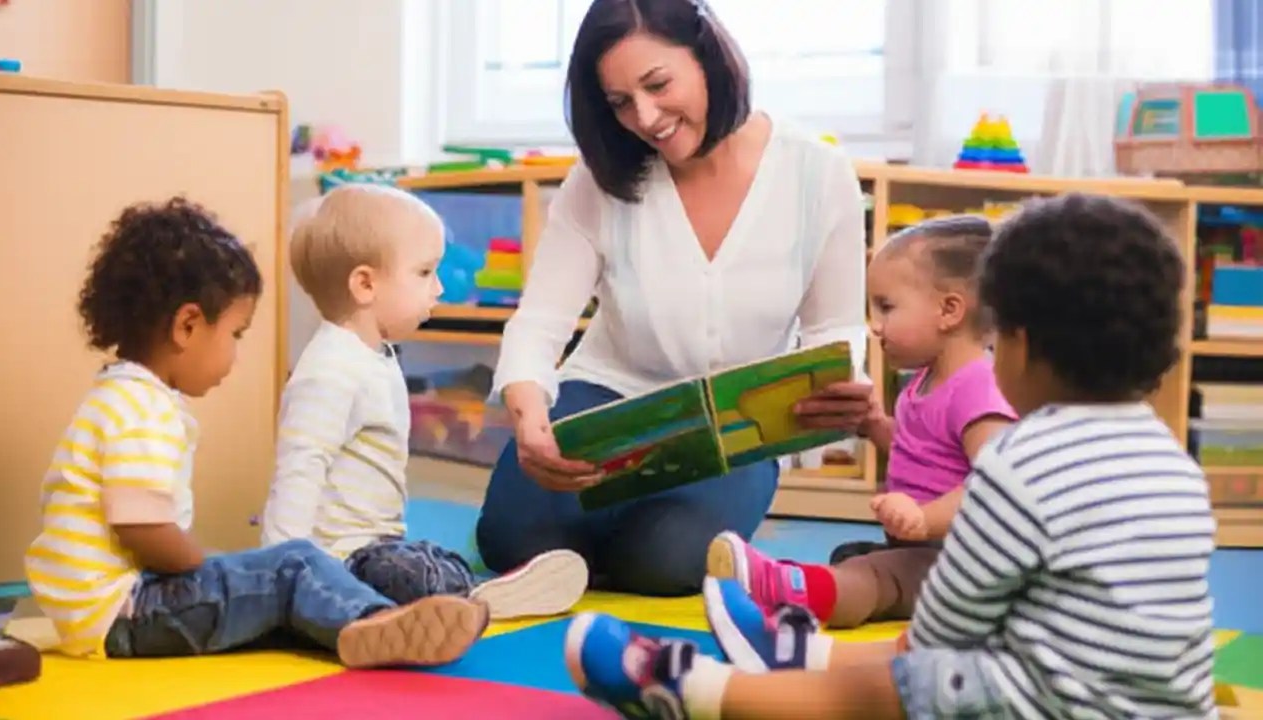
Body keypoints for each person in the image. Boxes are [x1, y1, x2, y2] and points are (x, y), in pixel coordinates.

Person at [564, 192, 1217, 719]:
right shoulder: (1175, 467)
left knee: (895, 688)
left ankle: (696, 692)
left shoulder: (1019, 466)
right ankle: (805, 653)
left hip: (1054, 701)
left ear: (1022, 342)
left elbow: (943, 631)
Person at [476, 0, 875, 597]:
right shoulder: (600, 180)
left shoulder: (818, 175)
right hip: (608, 399)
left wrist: (841, 389)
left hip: (735, 429)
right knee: (510, 541)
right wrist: (529, 412)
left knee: (667, 564)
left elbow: (834, 332)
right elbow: (539, 322)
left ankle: (615, 539)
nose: (644, 117)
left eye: (658, 84)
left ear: (708, 55)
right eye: (619, 103)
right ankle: (594, 536)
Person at [24, 197, 488, 667]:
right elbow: (141, 526)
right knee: (292, 565)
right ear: (187, 326)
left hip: (108, 612)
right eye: (235, 334)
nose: (235, 353)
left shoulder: (119, 395)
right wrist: (203, 566)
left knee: (270, 577)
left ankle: (381, 615)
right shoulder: (141, 410)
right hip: (129, 612)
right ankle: (375, 624)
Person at [260, 184, 589, 620]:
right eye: (424, 273)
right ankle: (473, 599)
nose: (438, 289)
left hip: (377, 546)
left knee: (424, 556)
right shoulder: (329, 371)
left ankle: (463, 592)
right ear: (365, 284)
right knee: (405, 571)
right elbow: (299, 470)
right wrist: (283, 570)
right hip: (337, 562)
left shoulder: (374, 355)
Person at [706, 216, 1017, 634]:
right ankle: (809, 585)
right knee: (859, 560)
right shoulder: (924, 383)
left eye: (887, 307)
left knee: (877, 577)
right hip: (923, 548)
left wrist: (924, 518)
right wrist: (875, 427)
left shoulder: (979, 385)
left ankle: (786, 592)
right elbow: (922, 454)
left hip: (968, 561)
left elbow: (994, 481)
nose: (874, 325)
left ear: (949, 310)